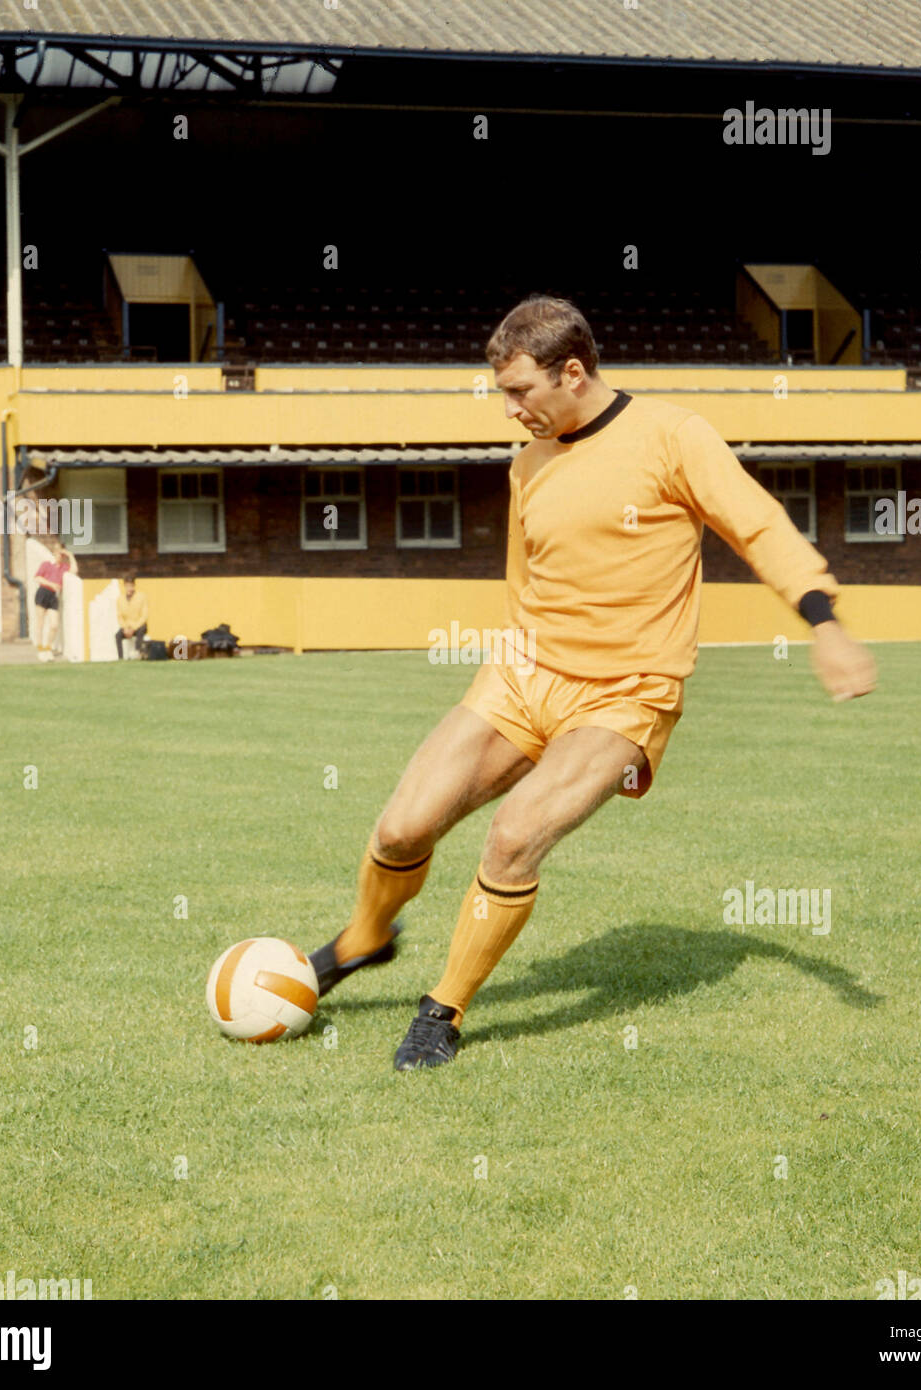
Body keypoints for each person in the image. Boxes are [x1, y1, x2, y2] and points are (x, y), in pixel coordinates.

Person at [308, 295, 877, 1071]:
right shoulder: (528, 461)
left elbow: (758, 525)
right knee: (402, 827)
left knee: (513, 838)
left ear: (572, 371)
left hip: (624, 693)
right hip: (521, 676)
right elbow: (526, 577)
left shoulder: (674, 438)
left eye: (520, 392)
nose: (510, 411)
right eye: (502, 394)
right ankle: (364, 938)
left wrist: (825, 621)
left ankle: (442, 1009)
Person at [32, 541, 77, 662]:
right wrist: (51, 584)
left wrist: (70, 556)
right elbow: (37, 577)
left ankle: (48, 647)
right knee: (40, 623)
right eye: (57, 552)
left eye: (61, 553)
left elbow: (74, 571)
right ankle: (40, 649)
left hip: (53, 596)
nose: (59, 555)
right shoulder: (46, 564)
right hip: (43, 592)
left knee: (54, 624)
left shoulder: (64, 567)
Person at [115, 576, 148, 659]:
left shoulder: (142, 597)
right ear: (125, 586)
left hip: (138, 625)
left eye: (131, 586)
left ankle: (137, 654)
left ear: (134, 586)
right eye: (127, 586)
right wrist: (125, 628)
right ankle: (120, 658)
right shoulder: (120, 599)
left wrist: (134, 628)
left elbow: (144, 616)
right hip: (127, 627)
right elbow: (120, 617)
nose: (129, 588)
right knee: (117, 635)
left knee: (141, 630)